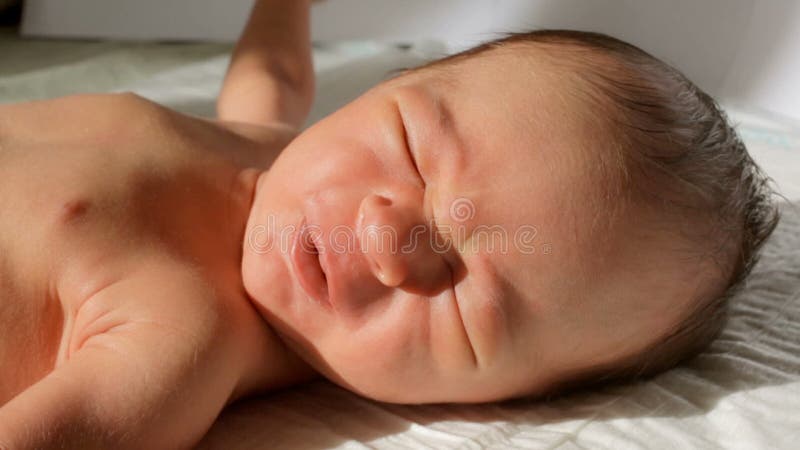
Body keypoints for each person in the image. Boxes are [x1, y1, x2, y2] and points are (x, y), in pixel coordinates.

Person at [0, 0, 778, 448]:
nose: (384, 241)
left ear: (499, 401)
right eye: (408, 145)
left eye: (473, 309)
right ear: (384, 89)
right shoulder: (272, 153)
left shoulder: (185, 339)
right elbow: (269, 83)